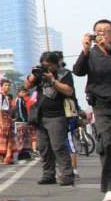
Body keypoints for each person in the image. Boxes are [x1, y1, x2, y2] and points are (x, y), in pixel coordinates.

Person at [73, 19, 111, 201]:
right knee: (108, 144)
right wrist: (84, 50)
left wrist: (109, 48)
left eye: (105, 31)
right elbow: (77, 71)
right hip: (102, 106)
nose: (101, 34)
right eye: (97, 31)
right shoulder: (90, 54)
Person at [24, 51, 76, 186]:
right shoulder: (40, 74)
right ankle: (48, 174)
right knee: (43, 147)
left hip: (57, 116)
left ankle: (67, 175)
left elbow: (68, 91)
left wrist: (53, 80)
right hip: (41, 116)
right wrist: (33, 75)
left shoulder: (64, 74)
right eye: (44, 65)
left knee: (58, 146)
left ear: (56, 64)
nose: (47, 68)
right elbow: (26, 87)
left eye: (49, 66)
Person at [0, 79, 15, 165]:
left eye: (8, 85)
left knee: (7, 138)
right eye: (5, 85)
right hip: (2, 118)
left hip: (7, 117)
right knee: (0, 138)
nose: (7, 87)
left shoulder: (6, 96)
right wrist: (1, 120)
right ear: (1, 86)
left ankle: (6, 157)